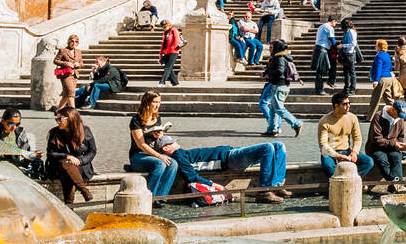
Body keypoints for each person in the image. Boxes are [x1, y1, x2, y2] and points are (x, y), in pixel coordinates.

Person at [155, 133, 291, 204]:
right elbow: (192, 176)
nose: (177, 142)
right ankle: (264, 191)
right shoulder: (178, 156)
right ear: (166, 148)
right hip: (230, 158)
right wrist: (213, 184)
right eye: (173, 142)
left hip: (233, 153)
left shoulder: (181, 154)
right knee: (267, 147)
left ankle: (277, 184)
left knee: (279, 145)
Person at [128, 91, 177, 198]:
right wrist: (159, 156)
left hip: (153, 154)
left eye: (159, 102)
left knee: (173, 163)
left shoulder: (157, 118)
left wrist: (158, 135)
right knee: (160, 163)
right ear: (147, 102)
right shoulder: (136, 119)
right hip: (138, 156)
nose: (157, 105)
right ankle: (149, 196)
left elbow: (159, 141)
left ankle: (161, 197)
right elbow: (141, 144)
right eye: (154, 102)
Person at [319, 90, 374, 178]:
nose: (348, 106)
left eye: (349, 103)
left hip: (346, 150)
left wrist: (354, 152)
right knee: (328, 166)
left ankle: (352, 180)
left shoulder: (352, 117)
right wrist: (338, 156)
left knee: (369, 162)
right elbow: (323, 145)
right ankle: (341, 183)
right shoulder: (324, 121)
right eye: (345, 104)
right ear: (336, 106)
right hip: (330, 153)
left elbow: (357, 138)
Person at [46, 107, 96, 204]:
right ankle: (84, 190)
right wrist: (66, 156)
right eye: (56, 119)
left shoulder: (85, 131)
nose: (57, 122)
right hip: (58, 166)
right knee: (65, 164)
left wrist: (80, 161)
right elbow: (50, 153)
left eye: (60, 119)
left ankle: (69, 205)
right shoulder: (54, 132)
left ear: (71, 119)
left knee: (68, 171)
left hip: (80, 166)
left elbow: (92, 151)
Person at [258, 39, 303, 137]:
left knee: (278, 108)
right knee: (273, 109)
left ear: (277, 47)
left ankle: (296, 123)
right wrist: (266, 73)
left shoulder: (279, 58)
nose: (270, 48)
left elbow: (279, 71)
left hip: (280, 85)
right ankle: (272, 129)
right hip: (279, 85)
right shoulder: (281, 57)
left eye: (272, 46)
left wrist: (268, 74)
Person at [366, 102, 406, 192]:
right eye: (398, 114)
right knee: (382, 160)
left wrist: (400, 145)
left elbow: (401, 136)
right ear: (393, 109)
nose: (399, 117)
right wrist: (394, 144)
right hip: (376, 148)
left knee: (397, 157)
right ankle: (397, 184)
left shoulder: (400, 119)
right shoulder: (378, 116)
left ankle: (394, 186)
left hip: (392, 148)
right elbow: (376, 138)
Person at [0, 107, 45, 179]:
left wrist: (35, 154)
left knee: (38, 163)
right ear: (3, 121)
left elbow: (26, 151)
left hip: (15, 162)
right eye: (10, 124)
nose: (14, 127)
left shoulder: (20, 132)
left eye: (17, 124)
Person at [311, 14, 338, 95]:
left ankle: (323, 86)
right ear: (333, 21)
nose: (335, 25)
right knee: (320, 70)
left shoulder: (322, 26)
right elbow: (333, 41)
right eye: (335, 23)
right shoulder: (329, 28)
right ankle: (319, 89)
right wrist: (339, 45)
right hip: (322, 50)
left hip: (319, 48)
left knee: (321, 70)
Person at [54, 34, 83, 104]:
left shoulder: (78, 52)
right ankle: (73, 113)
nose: (74, 43)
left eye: (76, 41)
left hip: (75, 75)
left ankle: (58, 111)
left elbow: (82, 63)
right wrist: (66, 63)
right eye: (72, 41)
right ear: (69, 42)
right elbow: (55, 61)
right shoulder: (63, 50)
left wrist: (78, 64)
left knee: (66, 95)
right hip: (66, 74)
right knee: (71, 92)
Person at [339, 19, 362, 93]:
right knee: (346, 73)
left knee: (351, 72)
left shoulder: (351, 32)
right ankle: (346, 88)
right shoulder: (347, 32)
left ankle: (352, 88)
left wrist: (343, 45)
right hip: (345, 54)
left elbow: (353, 44)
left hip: (350, 54)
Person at [157, 20, 181, 87]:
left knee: (167, 67)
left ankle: (162, 82)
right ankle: (175, 82)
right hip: (166, 52)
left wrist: (170, 49)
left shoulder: (174, 30)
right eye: (163, 27)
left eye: (165, 26)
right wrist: (161, 53)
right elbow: (163, 43)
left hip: (173, 52)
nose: (164, 28)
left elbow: (176, 41)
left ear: (169, 25)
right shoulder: (165, 32)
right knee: (169, 67)